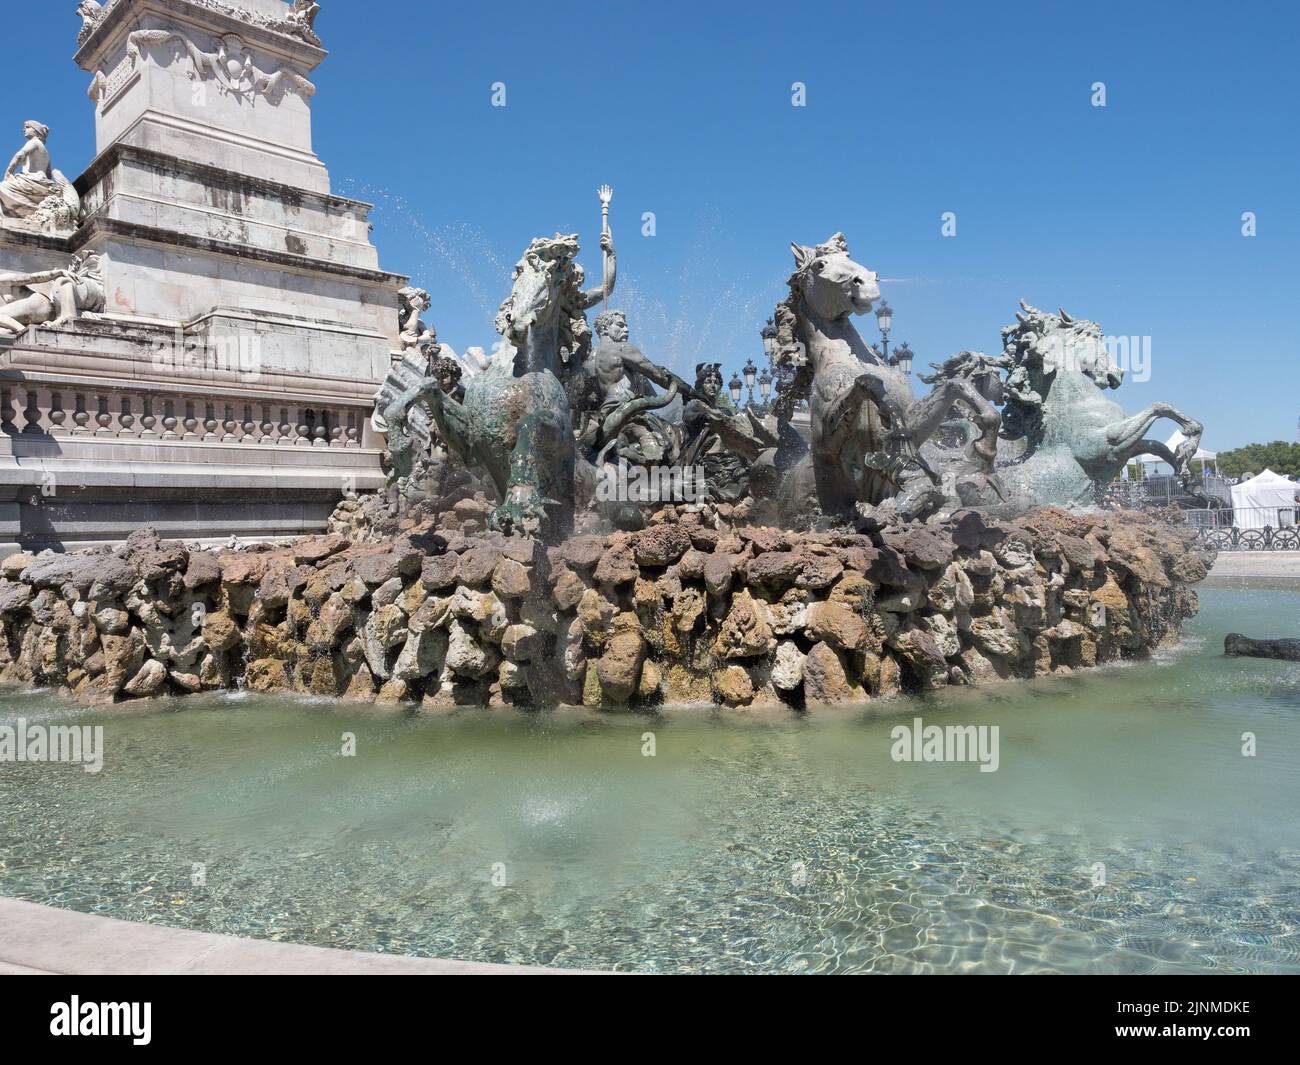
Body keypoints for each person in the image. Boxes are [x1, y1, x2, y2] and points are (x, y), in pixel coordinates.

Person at [0, 122, 58, 222]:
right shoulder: (46, 152)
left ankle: (21, 211)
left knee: (1, 187)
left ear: (36, 131)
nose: (24, 130)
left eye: (27, 127)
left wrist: (8, 172)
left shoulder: (34, 142)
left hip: (31, 181)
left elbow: (19, 155)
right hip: (43, 184)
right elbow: (49, 174)